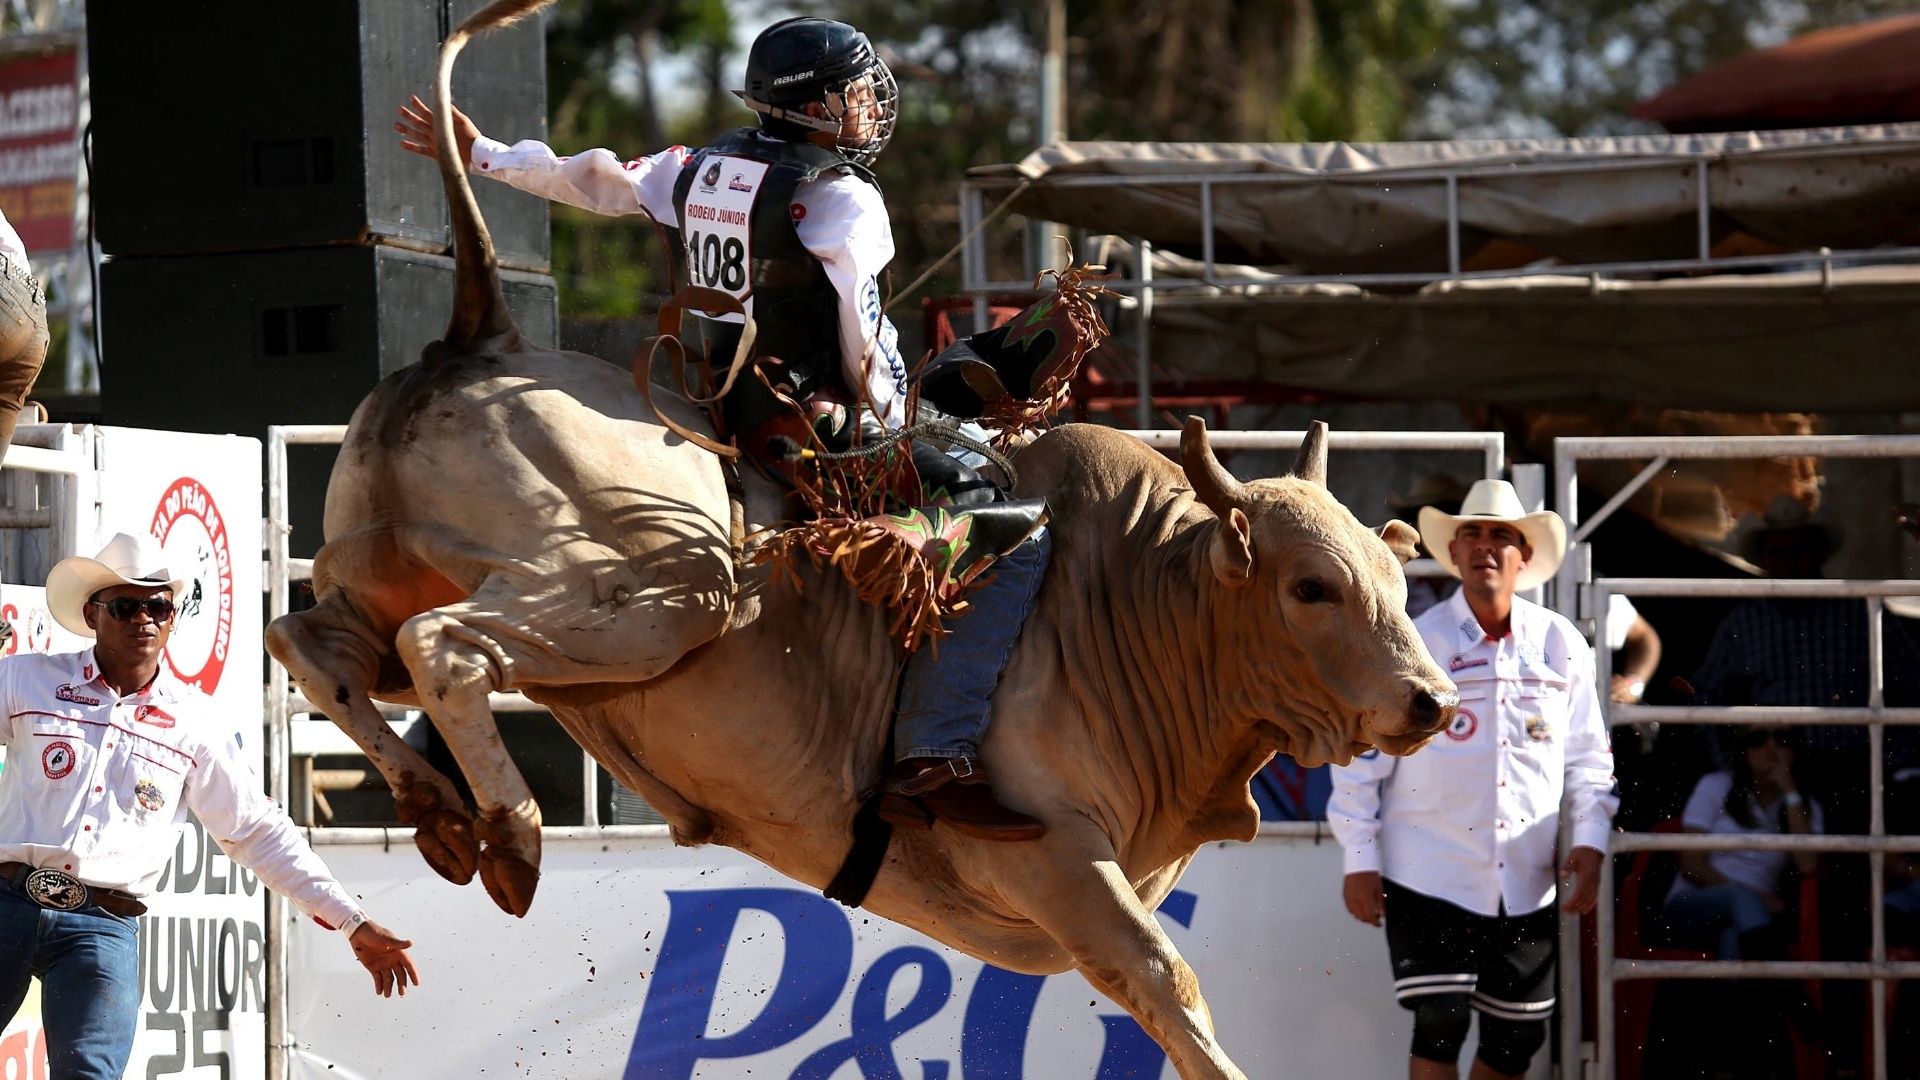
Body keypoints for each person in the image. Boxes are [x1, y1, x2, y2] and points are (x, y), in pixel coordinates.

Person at [395, 17, 1047, 840]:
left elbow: (591, 179)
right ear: (815, 108)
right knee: (1004, 515)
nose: (867, 108)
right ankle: (935, 750)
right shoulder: (844, 197)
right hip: (811, 433)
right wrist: (904, 427)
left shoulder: (692, 168)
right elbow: (863, 332)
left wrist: (485, 152)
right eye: (853, 94)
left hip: (703, 404)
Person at [0, 533, 417, 1080]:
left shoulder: (195, 720)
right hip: (7, 901)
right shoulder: (26, 678)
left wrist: (351, 921)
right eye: (126, 606)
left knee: (90, 1075)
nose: (143, 619)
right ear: (92, 614)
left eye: (158, 607)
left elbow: (257, 832)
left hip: (102, 923)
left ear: (173, 619)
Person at [1328, 478, 1618, 1080]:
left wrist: (1590, 841)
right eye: (1473, 535)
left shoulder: (1559, 641)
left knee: (1518, 1039)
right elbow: (1363, 757)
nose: (1486, 546)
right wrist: (1359, 858)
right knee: (1440, 1019)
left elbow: (1590, 756)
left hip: (1529, 875)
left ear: (1525, 555)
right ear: (1453, 553)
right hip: (1427, 870)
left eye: (1501, 536)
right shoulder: (1418, 640)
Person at [1663, 726, 1822, 959]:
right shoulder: (1717, 785)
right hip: (1695, 902)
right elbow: (1692, 864)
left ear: (1795, 749)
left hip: (1752, 918)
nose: (1771, 747)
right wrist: (1755, 899)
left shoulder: (1804, 807)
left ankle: (1737, 994)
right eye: (1758, 739)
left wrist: (1790, 791)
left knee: (1733, 938)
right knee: (1738, 898)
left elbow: (1808, 864)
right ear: (1743, 750)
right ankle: (1789, 988)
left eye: (1782, 738)